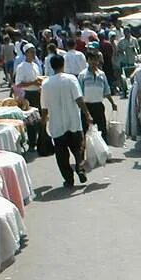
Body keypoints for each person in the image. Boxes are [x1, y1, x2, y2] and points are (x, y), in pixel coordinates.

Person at [41, 55, 93, 188]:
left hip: (57, 126)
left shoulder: (46, 83)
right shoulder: (71, 79)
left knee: (61, 155)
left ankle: (68, 179)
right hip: (74, 122)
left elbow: (44, 107)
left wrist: (43, 124)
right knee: (78, 149)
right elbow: (79, 99)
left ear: (51, 67)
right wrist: (87, 114)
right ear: (63, 64)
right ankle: (80, 169)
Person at [78, 52, 117, 143]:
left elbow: (106, 91)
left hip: (99, 106)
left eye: (95, 59)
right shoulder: (82, 75)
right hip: (87, 107)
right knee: (86, 132)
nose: (93, 62)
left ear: (98, 60)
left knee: (102, 131)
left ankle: (103, 153)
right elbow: (79, 94)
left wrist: (112, 103)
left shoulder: (102, 74)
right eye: (91, 59)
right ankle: (84, 154)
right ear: (87, 61)